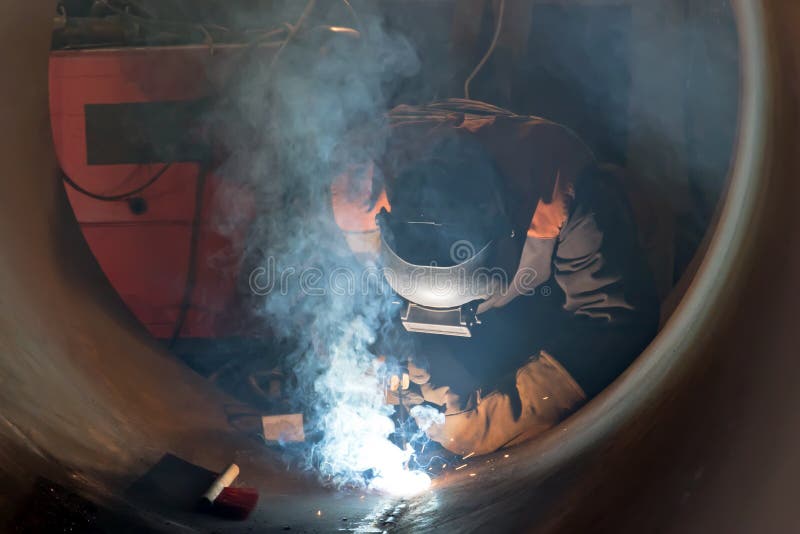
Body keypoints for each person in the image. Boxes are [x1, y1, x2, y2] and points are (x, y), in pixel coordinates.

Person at [331, 99, 659, 455]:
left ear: (504, 232)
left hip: (555, 298)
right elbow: (330, 305)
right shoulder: (355, 191)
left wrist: (487, 419)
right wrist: (382, 352)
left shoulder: (561, 186)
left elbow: (615, 325)